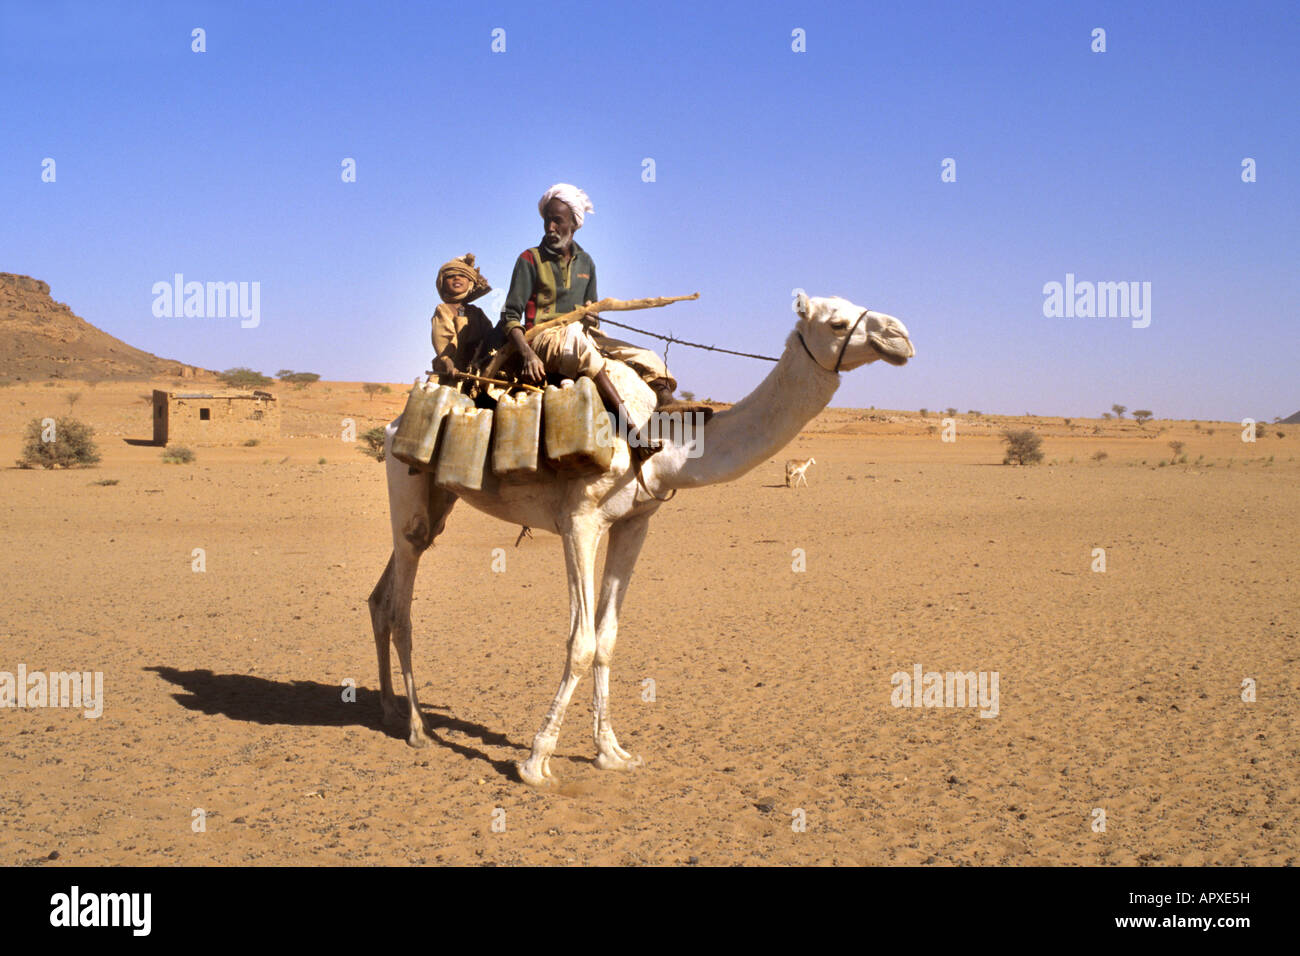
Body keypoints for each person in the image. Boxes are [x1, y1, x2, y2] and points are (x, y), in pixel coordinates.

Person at [498, 184, 709, 460]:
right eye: (547, 220)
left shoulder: (587, 262)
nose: (550, 227)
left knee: (645, 355)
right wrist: (527, 354)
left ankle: (667, 403)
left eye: (557, 220)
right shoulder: (529, 259)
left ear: (574, 224)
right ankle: (634, 434)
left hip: (582, 333)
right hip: (542, 338)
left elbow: (593, 314)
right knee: (581, 345)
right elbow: (510, 317)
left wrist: (591, 315)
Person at [430, 254, 494, 388]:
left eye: (462, 275)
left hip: (474, 374)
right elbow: (442, 342)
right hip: (448, 376)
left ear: (471, 282)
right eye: (450, 276)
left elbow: (490, 337)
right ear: (442, 283)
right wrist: (449, 364)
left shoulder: (477, 313)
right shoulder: (443, 310)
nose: (456, 278)